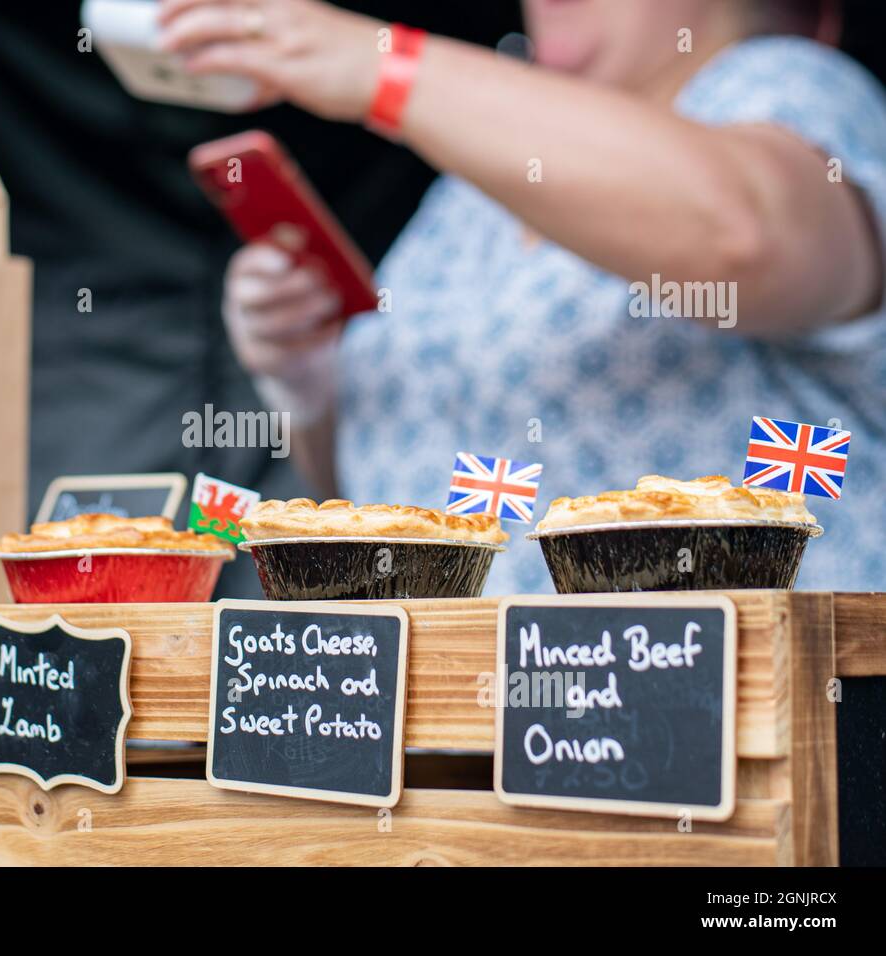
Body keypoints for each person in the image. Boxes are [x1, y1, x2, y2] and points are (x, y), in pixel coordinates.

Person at [160, 0, 886, 593]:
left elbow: (745, 236)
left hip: (712, 733)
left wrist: (386, 67)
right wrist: (309, 383)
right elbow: (394, 472)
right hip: (448, 733)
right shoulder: (480, 171)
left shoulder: (786, 84)